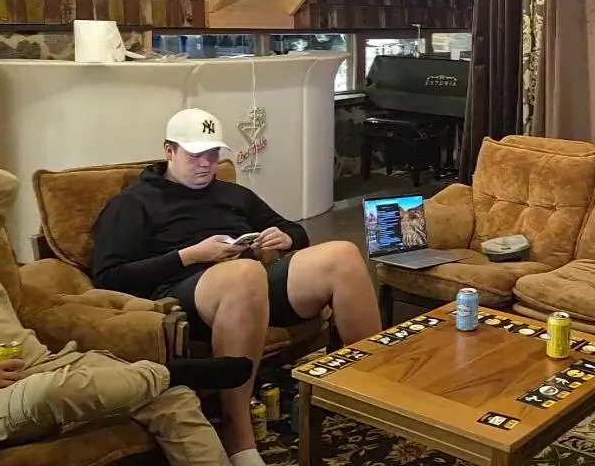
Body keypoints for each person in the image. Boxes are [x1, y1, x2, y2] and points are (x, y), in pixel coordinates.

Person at [0, 159, 253, 466]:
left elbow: (3, 188)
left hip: (45, 364)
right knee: (54, 392)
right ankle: (171, 372)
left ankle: (166, 381)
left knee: (172, 399)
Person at [91, 107, 382, 466]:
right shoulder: (133, 203)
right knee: (244, 273)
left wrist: (285, 238)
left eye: (213, 154)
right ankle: (238, 434)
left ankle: (372, 388)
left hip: (252, 283)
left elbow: (294, 229)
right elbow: (109, 276)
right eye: (195, 155)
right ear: (170, 151)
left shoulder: (232, 194)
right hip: (182, 295)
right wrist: (189, 256)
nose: (206, 164)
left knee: (342, 254)